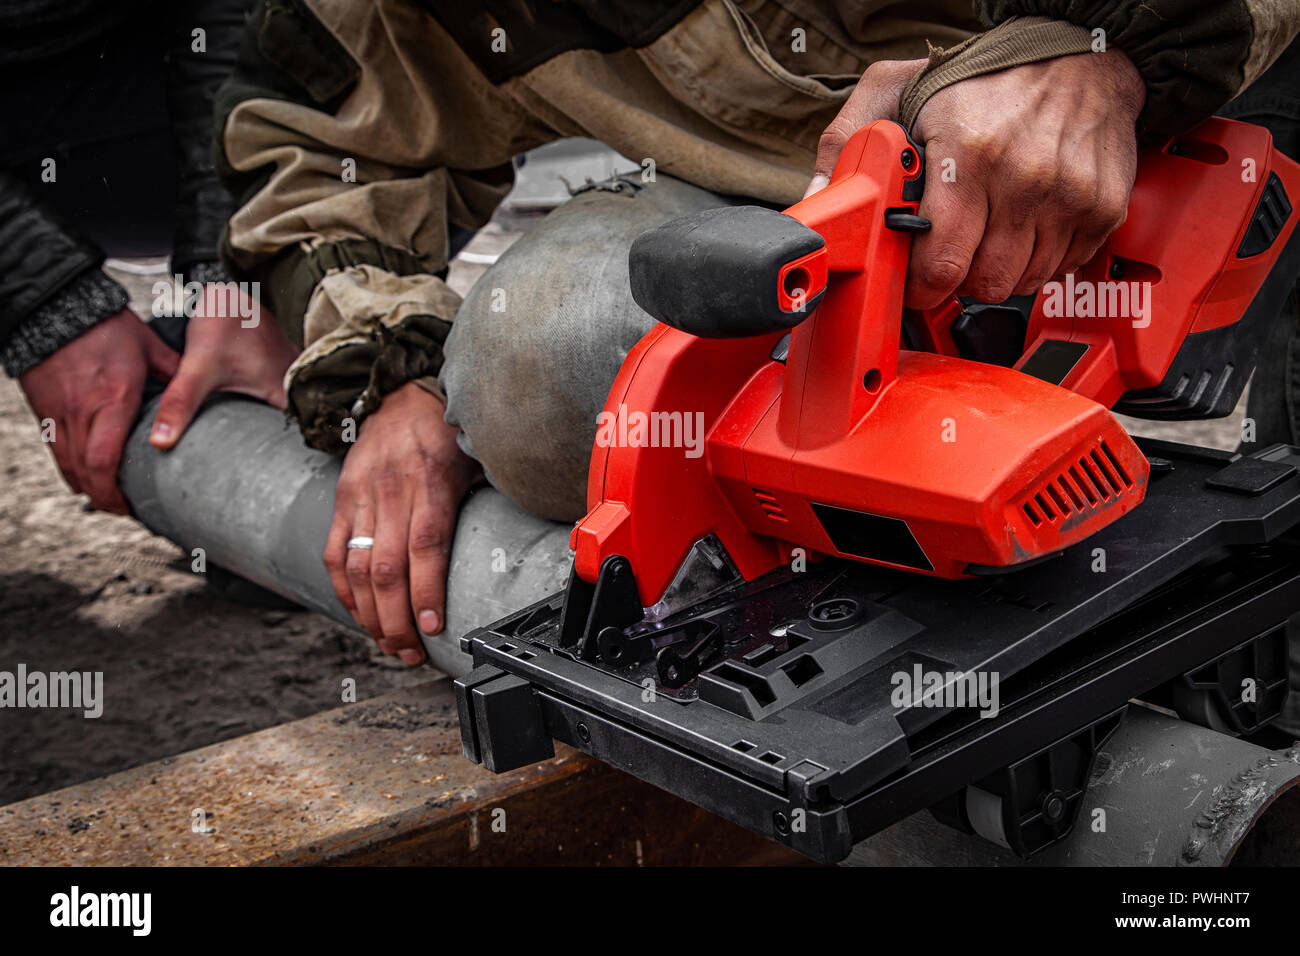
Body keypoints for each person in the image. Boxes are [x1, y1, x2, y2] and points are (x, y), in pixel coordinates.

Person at [211, 0, 1300, 666]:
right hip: (776, 195)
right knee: (525, 362)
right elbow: (313, 135)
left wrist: (1106, 45)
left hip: (1159, 84)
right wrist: (394, 366)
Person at [0, 0, 297, 519]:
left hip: (104, 69)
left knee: (381, 66)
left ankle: (241, 419)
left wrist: (239, 260)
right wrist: (42, 300)